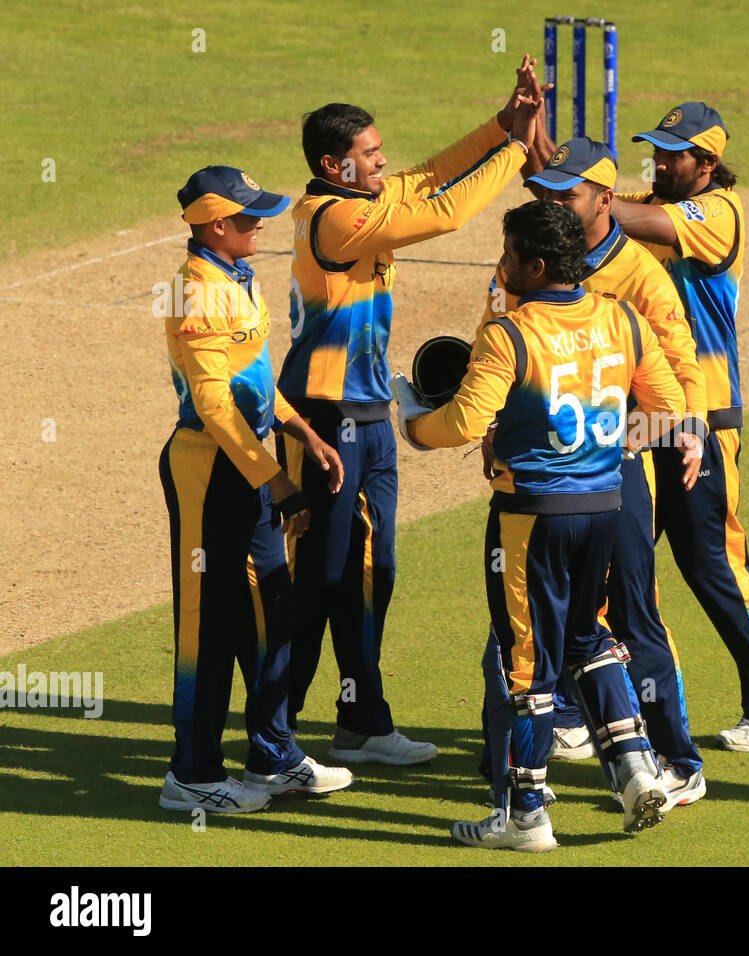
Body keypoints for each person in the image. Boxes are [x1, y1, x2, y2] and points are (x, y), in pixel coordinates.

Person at [391, 201, 693, 851]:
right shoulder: (621, 320)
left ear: (534, 264)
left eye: (507, 256)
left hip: (531, 519)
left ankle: (526, 814)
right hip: (607, 508)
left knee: (524, 662)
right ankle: (636, 764)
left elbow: (466, 423)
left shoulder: (512, 333)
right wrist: (604, 455)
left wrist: (412, 420)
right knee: (588, 636)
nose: (499, 268)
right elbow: (669, 406)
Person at [276, 61, 541, 765]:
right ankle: (274, 731)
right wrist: (517, 151)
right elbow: (446, 210)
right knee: (320, 577)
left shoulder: (358, 198)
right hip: (324, 418)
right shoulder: (333, 218)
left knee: (372, 570)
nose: (382, 159)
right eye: (369, 152)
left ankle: (361, 720)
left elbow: (426, 178)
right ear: (335, 165)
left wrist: (499, 125)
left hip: (368, 414)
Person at [481, 137, 709, 807]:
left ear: (606, 200)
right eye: (546, 192)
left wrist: (673, 429)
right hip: (536, 479)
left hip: (613, 474)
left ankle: (675, 758)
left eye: (568, 194)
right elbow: (493, 348)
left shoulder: (640, 275)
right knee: (521, 630)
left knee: (634, 615)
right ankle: (512, 769)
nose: (552, 201)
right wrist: (495, 425)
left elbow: (679, 361)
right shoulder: (519, 265)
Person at [602, 102, 749, 752]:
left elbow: (619, 213)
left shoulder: (718, 213)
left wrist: (589, 194)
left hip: (706, 416)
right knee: (619, 563)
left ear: (708, 162)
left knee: (711, 562)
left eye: (674, 153)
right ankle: (595, 705)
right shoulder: (655, 200)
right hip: (650, 415)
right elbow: (590, 205)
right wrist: (541, 150)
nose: (661, 161)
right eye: (658, 151)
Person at [159, 166, 352, 812]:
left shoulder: (233, 278)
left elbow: (252, 377)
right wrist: (278, 480)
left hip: (246, 465)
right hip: (208, 471)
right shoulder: (196, 294)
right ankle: (191, 772)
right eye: (247, 217)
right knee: (206, 623)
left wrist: (302, 430)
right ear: (216, 225)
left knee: (273, 609)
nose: (260, 223)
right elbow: (215, 406)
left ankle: (271, 753)